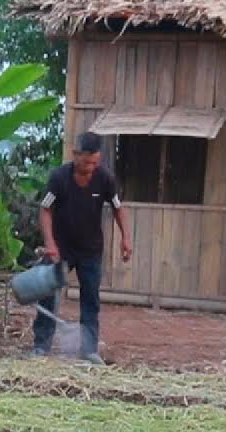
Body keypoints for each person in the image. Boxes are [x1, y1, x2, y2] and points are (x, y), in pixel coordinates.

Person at [32, 131, 132, 364]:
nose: (91, 167)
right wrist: (50, 244)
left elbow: (118, 208)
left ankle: (88, 350)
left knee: (90, 300)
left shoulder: (104, 179)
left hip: (90, 250)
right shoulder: (59, 178)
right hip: (61, 248)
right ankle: (41, 346)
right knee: (48, 294)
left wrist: (126, 238)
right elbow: (45, 210)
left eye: (95, 162)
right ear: (76, 155)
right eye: (87, 162)